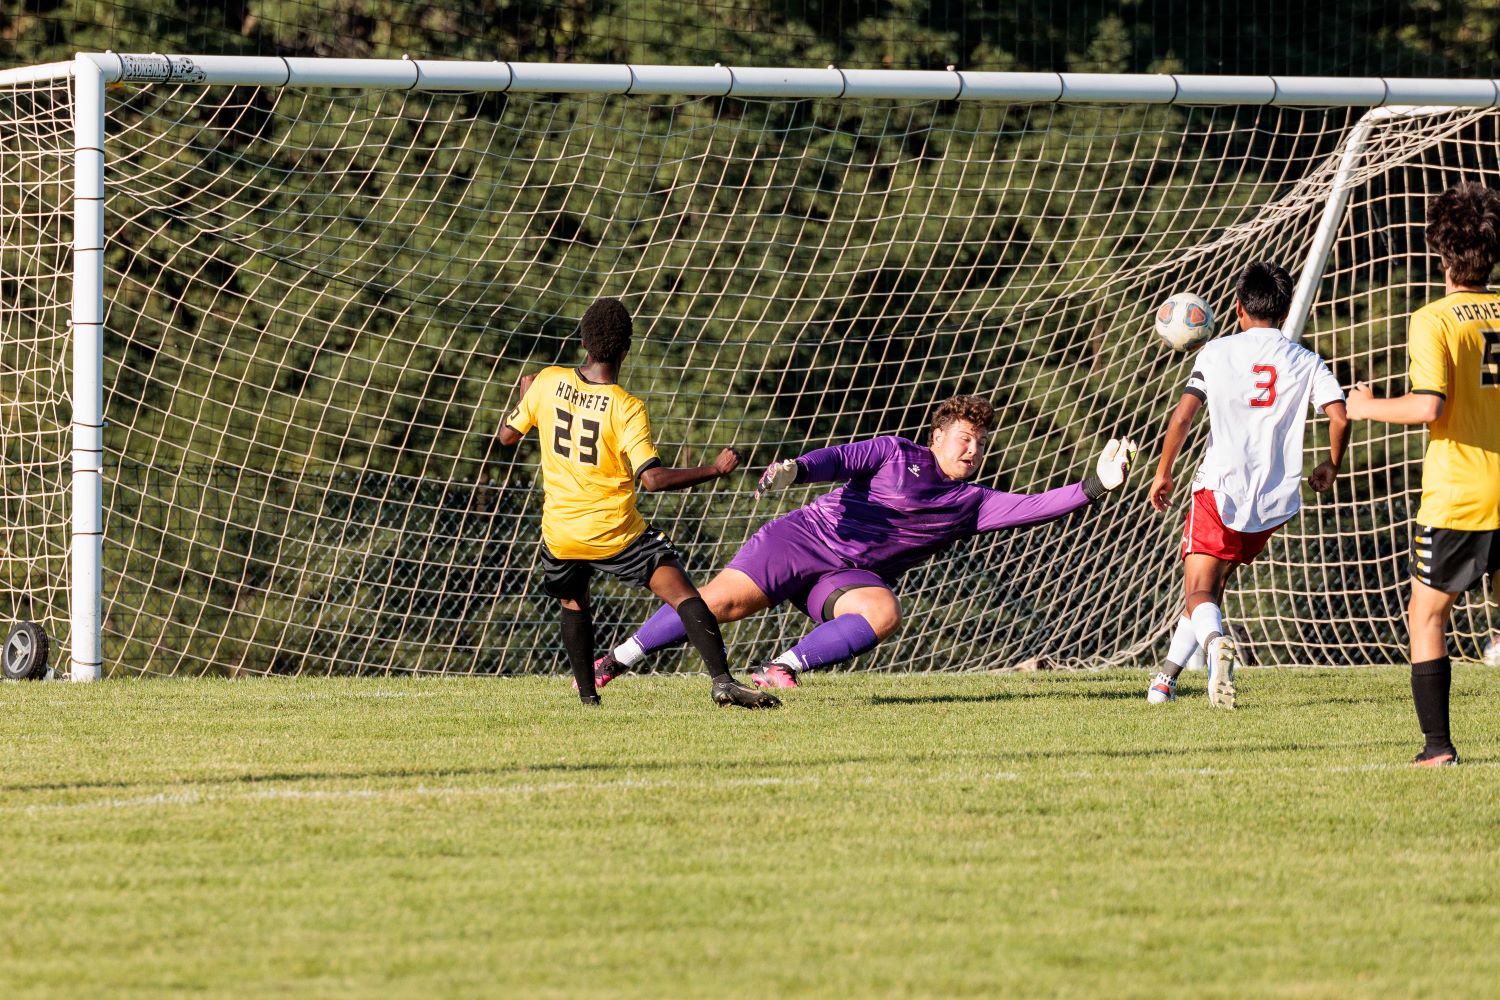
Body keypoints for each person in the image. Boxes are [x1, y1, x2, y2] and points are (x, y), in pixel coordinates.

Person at [585, 393, 1137, 689]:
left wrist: (1093, 486)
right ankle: (616, 659)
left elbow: (1032, 508)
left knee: (882, 611)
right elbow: (841, 458)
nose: (974, 450)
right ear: (939, 438)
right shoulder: (898, 451)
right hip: (804, 539)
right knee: (722, 603)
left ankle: (781, 669)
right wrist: (797, 471)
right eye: (966, 439)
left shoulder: (972, 501)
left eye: (981, 444)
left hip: (847, 578)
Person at [496, 297, 779, 709]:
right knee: (684, 594)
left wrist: (524, 396)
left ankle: (589, 699)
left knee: (573, 601)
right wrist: (715, 470)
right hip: (616, 534)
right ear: (627, 347)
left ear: (583, 341)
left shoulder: (547, 382)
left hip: (562, 532)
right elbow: (653, 479)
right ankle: (722, 681)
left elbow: (506, 437)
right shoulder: (627, 407)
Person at [1147, 261, 1350, 708]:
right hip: (1273, 503)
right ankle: (1164, 682)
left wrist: (1163, 472)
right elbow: (1339, 415)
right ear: (1285, 308)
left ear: (1238, 308)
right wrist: (1331, 465)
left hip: (1220, 489)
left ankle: (1217, 644)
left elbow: (1183, 416)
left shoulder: (1216, 352)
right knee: (1212, 590)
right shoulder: (1306, 360)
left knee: (1198, 590)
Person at [1348, 182, 1500, 766]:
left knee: (1427, 615)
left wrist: (1364, 406)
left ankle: (1437, 748)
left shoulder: (1434, 319)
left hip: (1460, 494)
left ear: (1441, 254)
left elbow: (1428, 406)